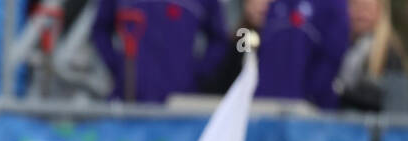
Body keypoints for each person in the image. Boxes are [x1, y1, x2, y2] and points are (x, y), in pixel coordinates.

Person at [91, 0, 227, 103]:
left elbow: (219, 40)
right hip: (130, 100)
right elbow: (100, 31)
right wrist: (119, 67)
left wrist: (197, 73)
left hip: (178, 105)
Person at [256, 0, 349, 108]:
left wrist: (314, 96)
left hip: (308, 107)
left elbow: (334, 54)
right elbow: (242, 42)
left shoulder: (334, 5)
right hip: (259, 101)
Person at [334, 0, 408, 111]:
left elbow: (391, 100)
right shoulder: (340, 47)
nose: (361, 12)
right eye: (355, 5)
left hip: (373, 125)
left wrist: (341, 91)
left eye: (367, 7)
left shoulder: (390, 54)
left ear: (380, 12)